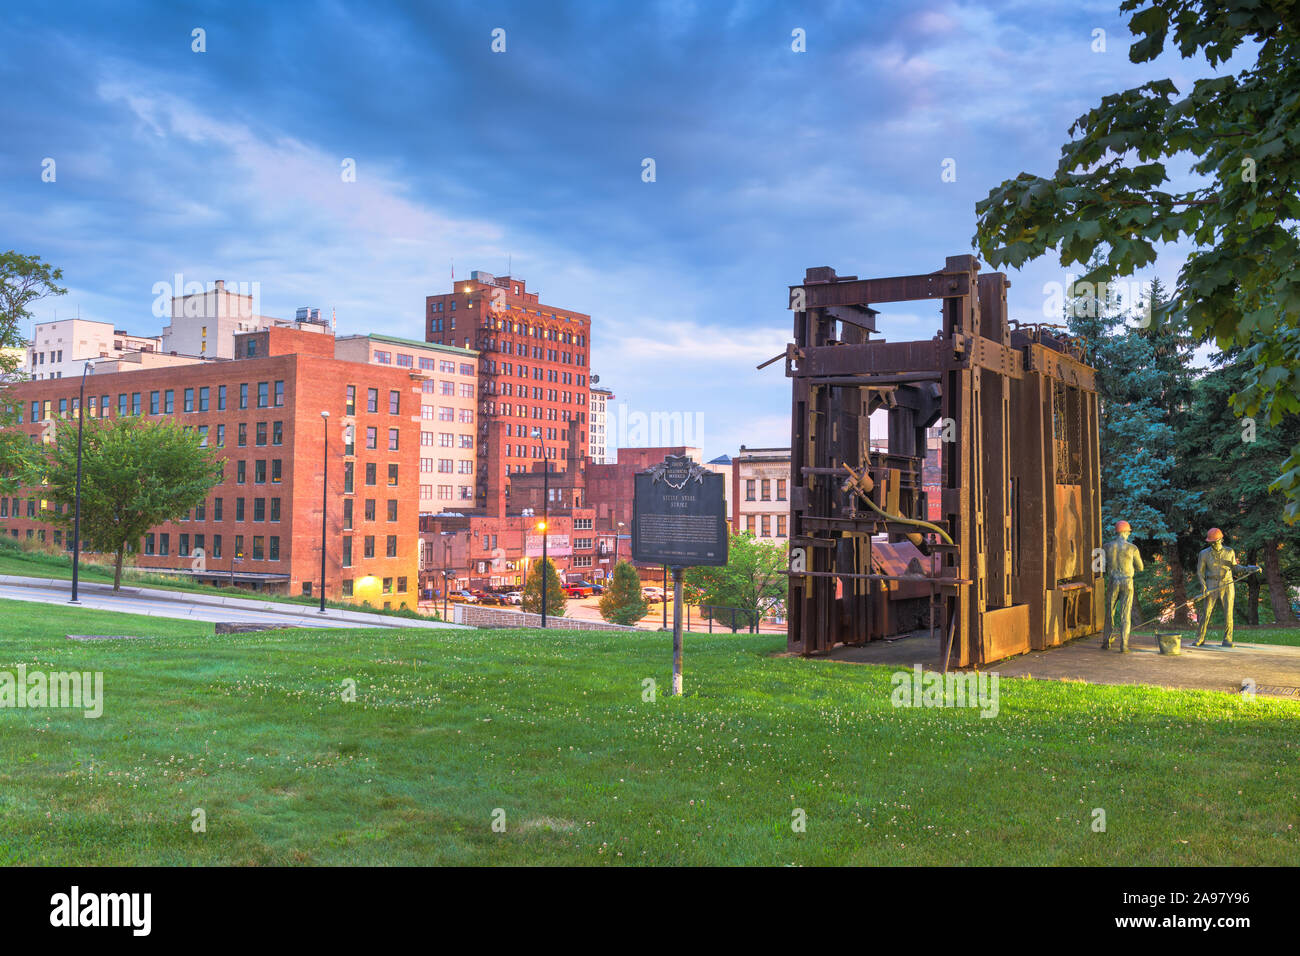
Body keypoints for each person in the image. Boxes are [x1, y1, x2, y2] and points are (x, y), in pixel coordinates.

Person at [1194, 528, 1259, 647]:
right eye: (1211, 542)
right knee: (1206, 613)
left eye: (1215, 541)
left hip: (1227, 584)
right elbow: (1199, 572)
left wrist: (1250, 568)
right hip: (1211, 584)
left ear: (1221, 539)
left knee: (1228, 613)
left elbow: (1235, 567)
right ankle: (1200, 638)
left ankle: (1227, 639)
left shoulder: (1230, 552)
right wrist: (1203, 586)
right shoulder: (1203, 554)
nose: (1213, 544)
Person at [1102, 520, 1143, 652]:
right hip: (1127, 582)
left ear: (1116, 532)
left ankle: (1106, 642)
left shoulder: (1107, 547)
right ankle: (1124, 645)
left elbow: (1101, 567)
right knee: (1125, 614)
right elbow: (1141, 567)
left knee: (1109, 612)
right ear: (1125, 532)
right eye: (1128, 532)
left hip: (1113, 581)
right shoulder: (1132, 548)